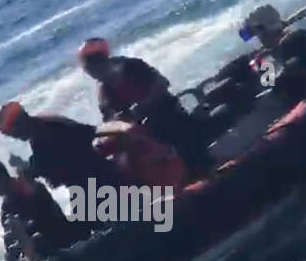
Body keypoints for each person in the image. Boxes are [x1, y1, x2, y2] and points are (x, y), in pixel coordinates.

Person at [77, 38, 214, 175]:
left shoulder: (132, 67)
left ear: (102, 61)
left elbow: (162, 83)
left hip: (168, 115)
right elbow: (110, 119)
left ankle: (203, 170)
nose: (92, 74)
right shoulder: (104, 91)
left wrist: (142, 106)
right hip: (144, 133)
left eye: (92, 67)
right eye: (88, 70)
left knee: (184, 144)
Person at [0, 160, 90, 261]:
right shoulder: (6, 209)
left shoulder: (29, 188)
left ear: (2, 177)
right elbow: (10, 241)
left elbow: (48, 215)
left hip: (57, 234)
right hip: (36, 249)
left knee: (38, 239)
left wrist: (26, 230)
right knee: (11, 254)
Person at [0, 101, 121, 190]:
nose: (14, 137)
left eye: (12, 133)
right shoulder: (44, 124)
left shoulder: (45, 134)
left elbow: (51, 177)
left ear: (20, 124)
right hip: (95, 177)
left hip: (97, 182)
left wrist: (23, 169)